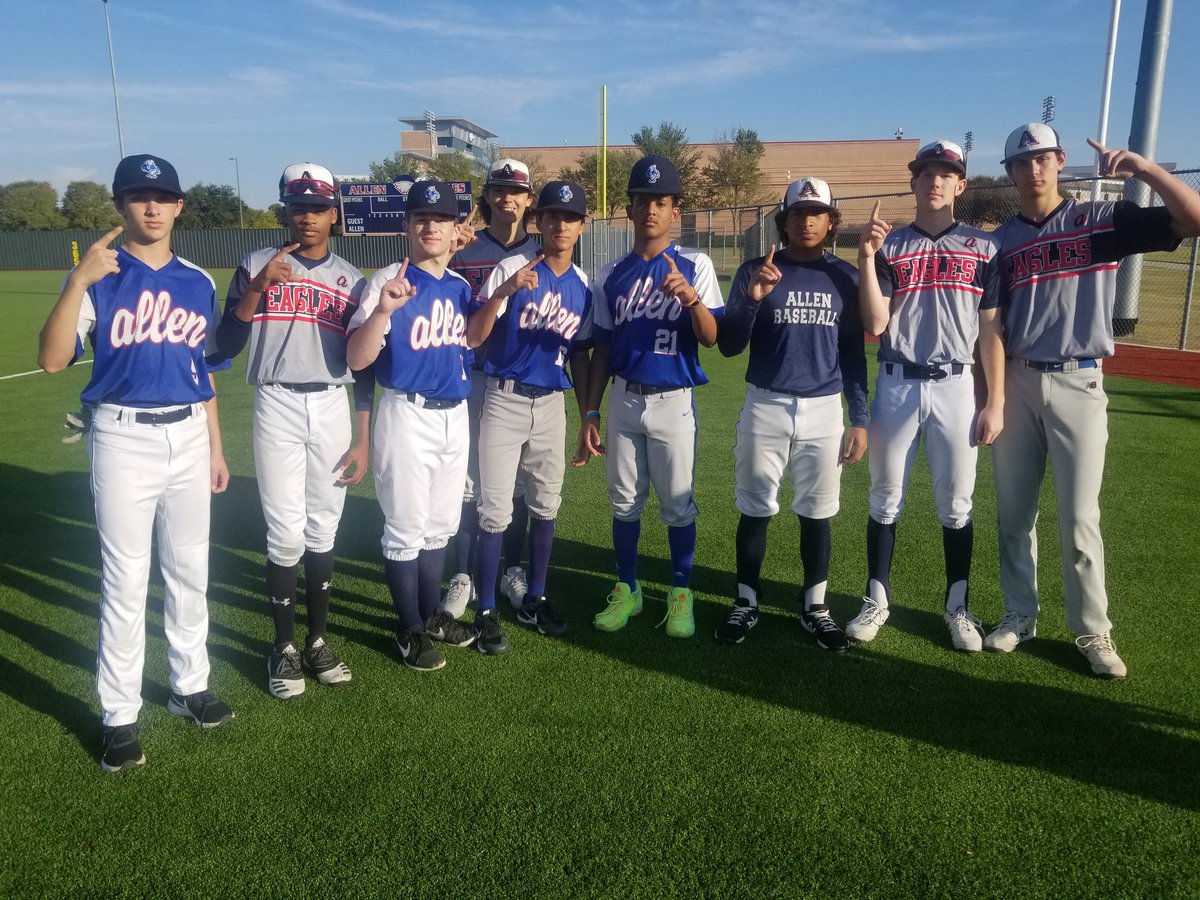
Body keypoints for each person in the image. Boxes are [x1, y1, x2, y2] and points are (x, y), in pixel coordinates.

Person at [37, 154, 234, 772]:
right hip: (122, 436)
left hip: (188, 435)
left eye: (162, 196)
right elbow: (50, 360)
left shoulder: (197, 281)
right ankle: (119, 714)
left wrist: (218, 447)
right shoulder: (100, 274)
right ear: (121, 205)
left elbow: (201, 375)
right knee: (126, 580)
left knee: (190, 569)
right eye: (138, 196)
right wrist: (75, 283)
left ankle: (188, 685)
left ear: (179, 207)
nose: (151, 206)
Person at [985, 124, 1200, 677]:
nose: (1033, 169)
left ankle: (1092, 630)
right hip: (1019, 379)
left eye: (1042, 158)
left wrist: (1147, 171)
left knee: (1080, 518)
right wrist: (995, 398)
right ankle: (1018, 614)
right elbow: (993, 327)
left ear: (1059, 161)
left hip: (1080, 380)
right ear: (1010, 172)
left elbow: (1193, 220)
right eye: (1021, 161)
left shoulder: (1097, 218)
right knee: (1014, 514)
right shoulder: (1001, 241)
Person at [214, 162, 369, 699]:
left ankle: (318, 640)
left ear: (334, 214)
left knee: (325, 524)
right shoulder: (257, 263)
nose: (308, 217)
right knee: (283, 529)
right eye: (298, 207)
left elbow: (365, 362)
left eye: (318, 207)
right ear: (286, 212)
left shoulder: (351, 278)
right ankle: (282, 647)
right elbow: (226, 345)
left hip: (331, 402)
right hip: (276, 401)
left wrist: (363, 435)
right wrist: (257, 289)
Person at [849, 140, 1005, 652]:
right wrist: (867, 259)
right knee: (885, 497)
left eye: (946, 173)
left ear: (961, 184)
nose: (935, 181)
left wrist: (994, 400)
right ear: (912, 182)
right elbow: (875, 322)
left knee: (957, 503)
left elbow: (989, 334)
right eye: (926, 172)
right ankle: (877, 598)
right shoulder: (891, 246)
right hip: (896, 380)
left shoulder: (984, 249)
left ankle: (957, 606)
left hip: (957, 385)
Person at [715, 177, 868, 650]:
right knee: (755, 507)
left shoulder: (846, 276)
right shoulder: (754, 269)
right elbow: (728, 344)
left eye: (816, 213)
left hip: (824, 408)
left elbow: (852, 353)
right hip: (767, 403)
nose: (807, 221)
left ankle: (815, 607)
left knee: (817, 513)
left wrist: (859, 418)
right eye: (798, 213)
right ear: (783, 221)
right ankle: (746, 600)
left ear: (830, 221)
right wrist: (753, 298)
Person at [578, 154, 724, 638]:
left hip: (673, 399)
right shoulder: (610, 273)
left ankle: (680, 592)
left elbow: (711, 337)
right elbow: (601, 346)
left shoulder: (695, 264)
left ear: (675, 211)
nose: (651, 211)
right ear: (630, 209)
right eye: (642, 201)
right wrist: (592, 409)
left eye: (661, 202)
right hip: (623, 397)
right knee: (624, 503)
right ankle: (628, 589)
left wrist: (691, 299)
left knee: (677, 504)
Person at [346, 181, 481, 672]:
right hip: (406, 412)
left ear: (453, 230)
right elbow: (357, 358)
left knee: (440, 528)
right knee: (405, 528)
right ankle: (408, 629)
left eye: (441, 219)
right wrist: (383, 310)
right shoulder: (387, 279)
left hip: (454, 416)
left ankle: (430, 617)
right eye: (421, 218)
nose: (430, 226)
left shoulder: (461, 287)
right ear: (406, 226)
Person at [466, 180, 593, 652]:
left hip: (552, 405)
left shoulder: (582, 285)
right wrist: (502, 292)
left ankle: (535, 597)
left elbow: (580, 354)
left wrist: (588, 416)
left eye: (570, 216)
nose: (560, 224)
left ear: (582, 226)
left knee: (545, 503)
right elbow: (474, 337)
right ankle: (485, 610)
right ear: (538, 222)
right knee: (495, 509)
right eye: (553, 216)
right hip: (502, 398)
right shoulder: (510, 266)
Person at [445, 158, 540, 618]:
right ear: (488, 197)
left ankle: (512, 568)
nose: (507, 199)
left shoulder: (541, 253)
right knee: (468, 481)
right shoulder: (465, 249)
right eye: (499, 191)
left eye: (516, 191)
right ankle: (462, 573)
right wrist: (448, 246)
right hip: (471, 375)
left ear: (528, 199)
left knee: (516, 482)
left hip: (517, 381)